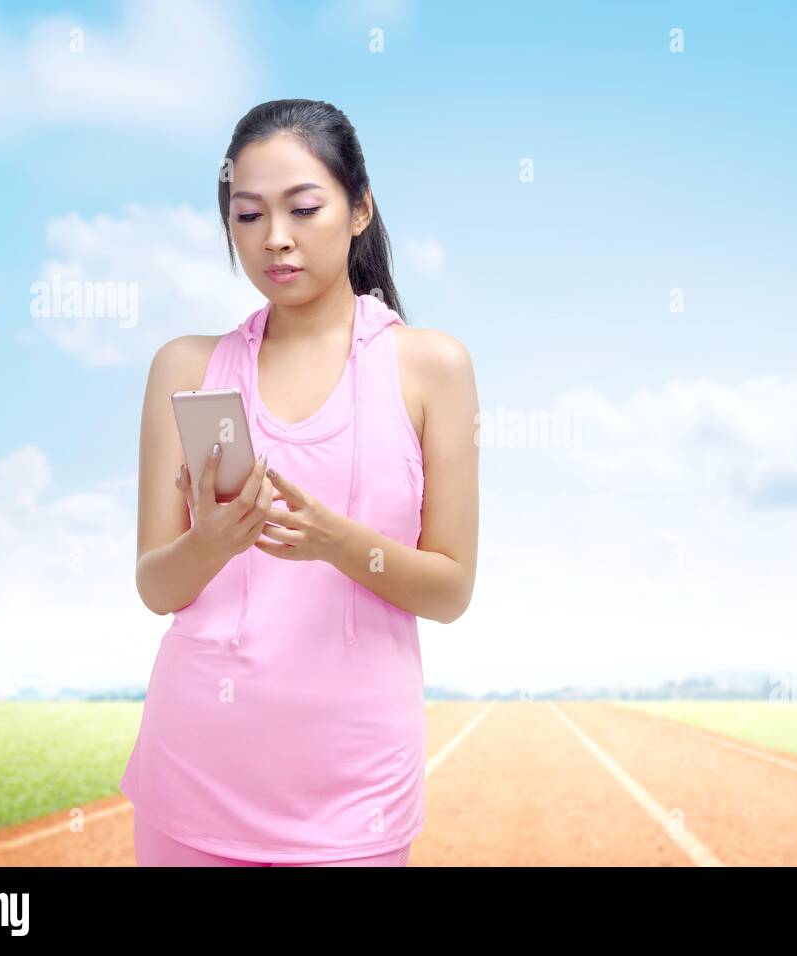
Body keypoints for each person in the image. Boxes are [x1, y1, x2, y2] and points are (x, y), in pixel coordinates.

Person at [119, 99, 479, 866]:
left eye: (303, 208)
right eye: (247, 216)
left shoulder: (430, 367)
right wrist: (212, 542)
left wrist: (338, 543)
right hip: (195, 778)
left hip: (356, 794)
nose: (274, 238)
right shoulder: (185, 368)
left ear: (359, 209)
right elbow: (157, 586)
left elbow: (450, 590)